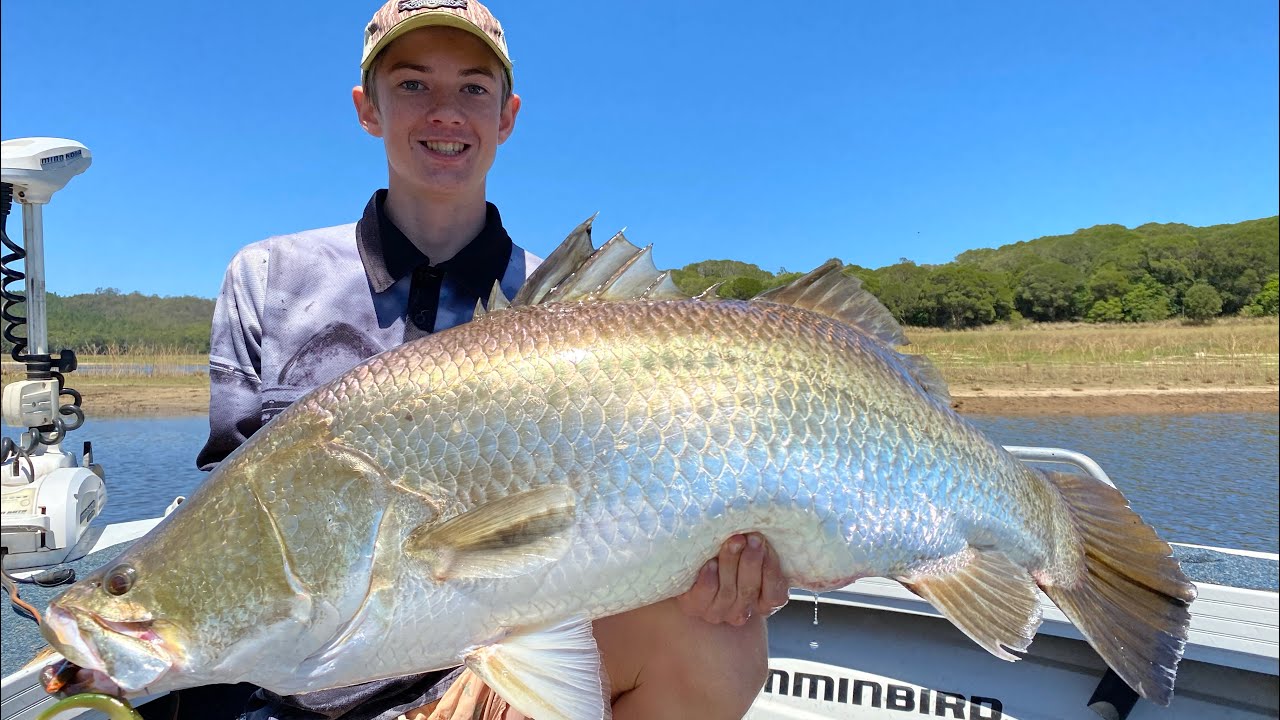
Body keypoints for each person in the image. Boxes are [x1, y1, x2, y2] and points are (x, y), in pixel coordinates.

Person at [187, 2, 788, 719]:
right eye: (412, 84)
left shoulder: (582, 317)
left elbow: (622, 512)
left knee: (723, 640)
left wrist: (727, 566)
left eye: (473, 88)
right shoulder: (268, 277)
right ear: (367, 108)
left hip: (487, 670)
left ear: (507, 116)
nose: (445, 111)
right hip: (299, 687)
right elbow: (228, 512)